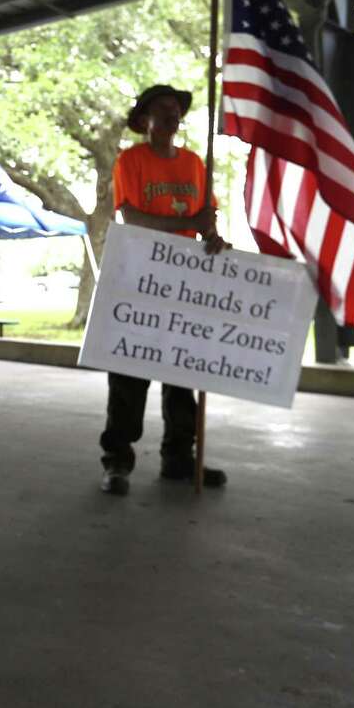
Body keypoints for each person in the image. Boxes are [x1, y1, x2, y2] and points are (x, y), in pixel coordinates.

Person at [98, 84, 230, 496]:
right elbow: (132, 218)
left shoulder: (194, 163)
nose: (173, 113)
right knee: (129, 373)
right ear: (145, 121)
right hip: (140, 279)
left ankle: (179, 458)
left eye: (177, 108)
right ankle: (117, 461)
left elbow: (206, 216)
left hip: (184, 284)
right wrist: (186, 224)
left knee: (183, 372)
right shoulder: (131, 160)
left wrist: (211, 236)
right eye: (163, 108)